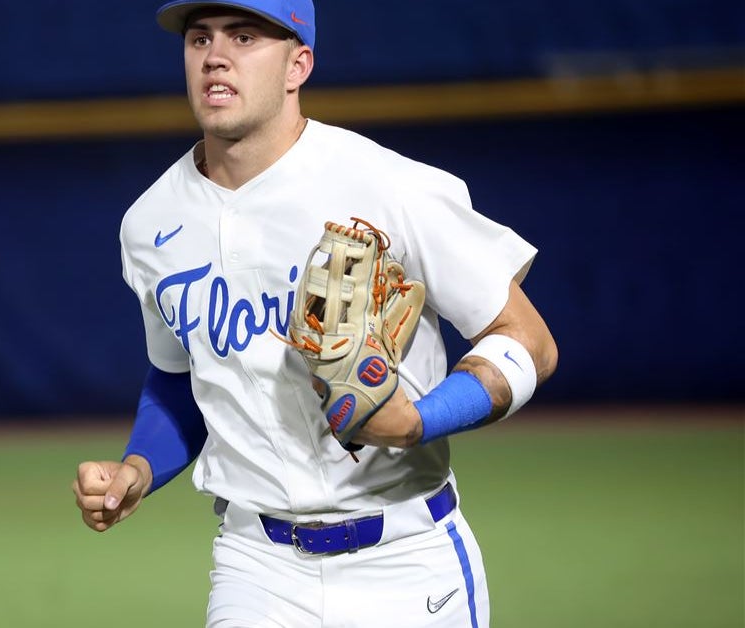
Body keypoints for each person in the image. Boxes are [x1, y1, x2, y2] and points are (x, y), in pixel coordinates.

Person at [71, 1, 558, 626]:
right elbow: (179, 379)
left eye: (244, 36)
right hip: (255, 566)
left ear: (298, 64)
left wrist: (418, 421)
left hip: (408, 560)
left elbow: (529, 342)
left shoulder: (386, 186)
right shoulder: (150, 223)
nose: (215, 55)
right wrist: (137, 467)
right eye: (199, 39)